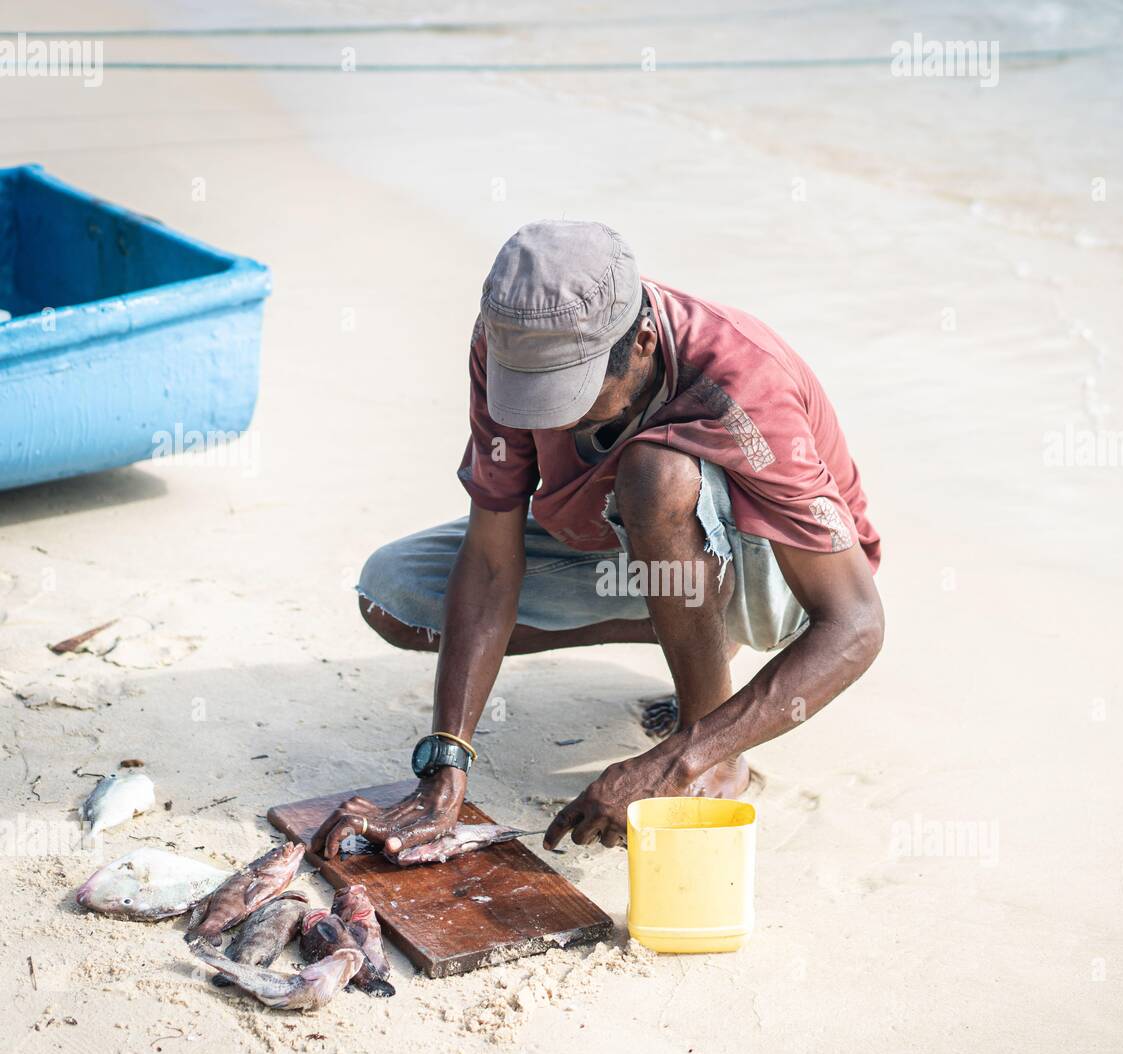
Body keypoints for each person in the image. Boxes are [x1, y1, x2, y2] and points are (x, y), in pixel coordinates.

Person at [313, 220, 883, 863]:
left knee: (656, 474)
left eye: (574, 397)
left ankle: (717, 759)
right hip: (626, 549)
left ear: (642, 341)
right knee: (395, 595)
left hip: (778, 579)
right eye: (535, 399)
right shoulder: (508, 344)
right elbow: (493, 561)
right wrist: (446, 762)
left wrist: (678, 759)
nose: (551, 419)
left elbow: (856, 624)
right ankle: (694, 631)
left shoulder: (743, 377)